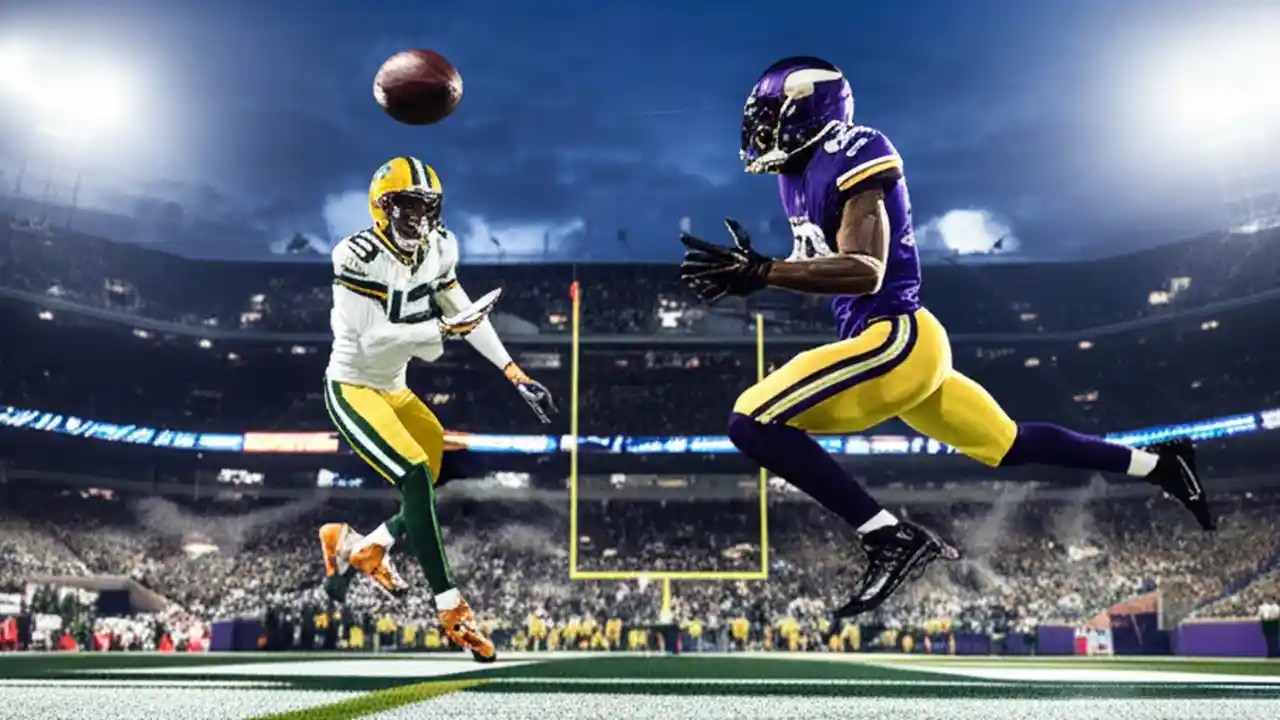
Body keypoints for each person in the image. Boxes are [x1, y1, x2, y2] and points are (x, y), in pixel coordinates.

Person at [678, 57, 1213, 618]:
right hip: (899, 348)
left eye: (771, 117)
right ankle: (1158, 464)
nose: (760, 131)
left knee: (750, 420)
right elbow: (819, 269)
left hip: (896, 338)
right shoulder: (795, 179)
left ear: (810, 111)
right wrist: (758, 276)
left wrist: (763, 272)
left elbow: (865, 269)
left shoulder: (854, 150)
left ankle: (886, 535)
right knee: (1009, 444)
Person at [319, 156, 557, 661]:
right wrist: (443, 332)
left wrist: (514, 373)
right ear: (381, 209)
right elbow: (375, 340)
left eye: (425, 209)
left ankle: (362, 546)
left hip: (398, 392)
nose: (416, 220)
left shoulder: (440, 248)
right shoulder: (357, 255)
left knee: (428, 478)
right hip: (354, 386)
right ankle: (452, 608)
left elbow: (464, 312)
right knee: (413, 475)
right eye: (405, 208)